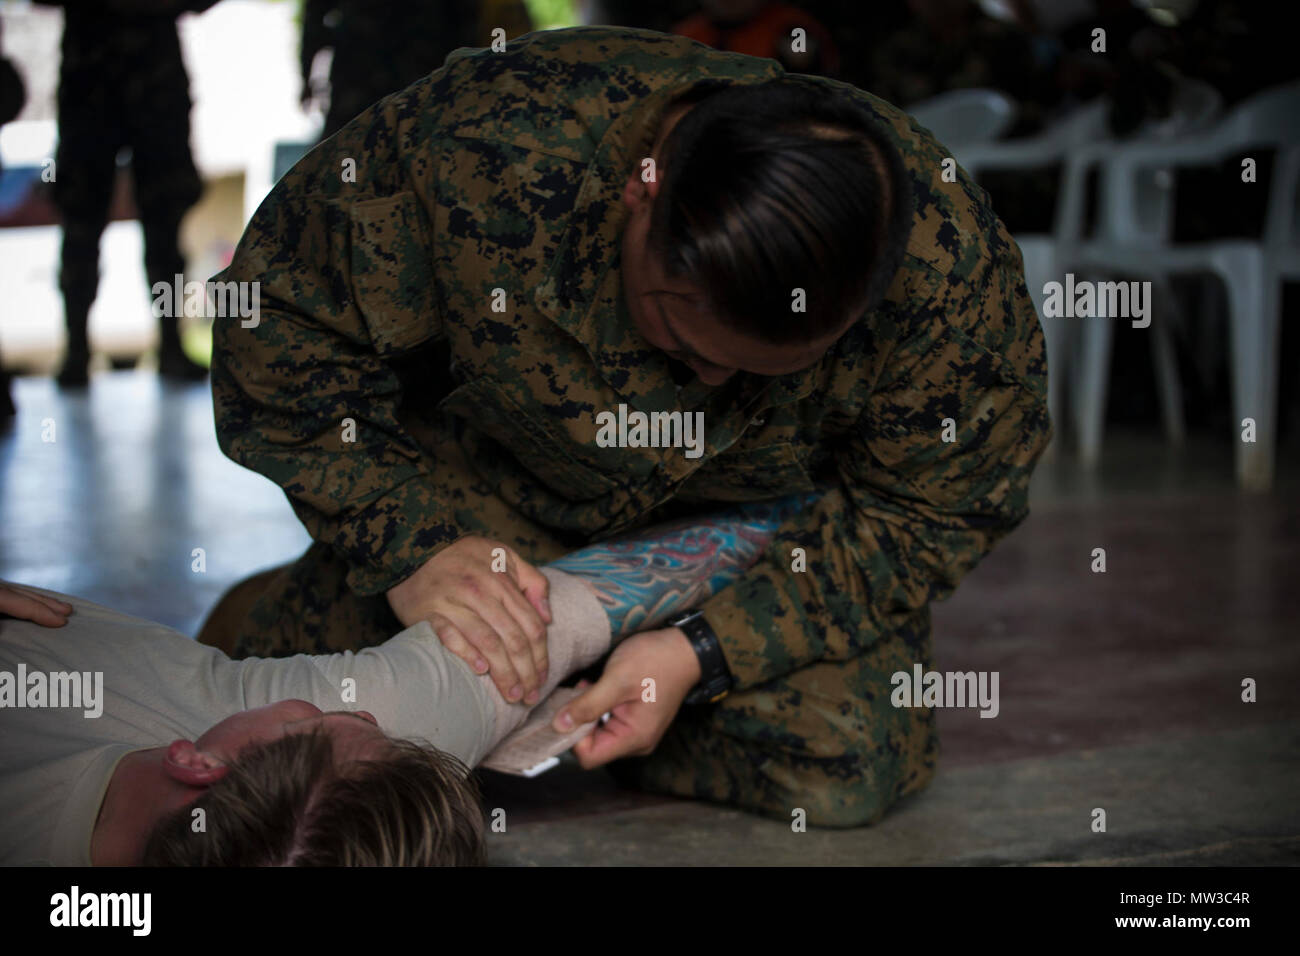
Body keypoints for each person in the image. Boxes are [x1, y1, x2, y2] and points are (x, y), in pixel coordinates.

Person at [206, 26, 1052, 828]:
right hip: (503, 496)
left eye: (766, 368)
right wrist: (408, 544)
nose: (716, 382)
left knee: (846, 761)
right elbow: (274, 323)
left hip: (750, 541)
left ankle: (582, 700)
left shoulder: (948, 276)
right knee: (311, 723)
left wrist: (698, 655)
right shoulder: (492, 141)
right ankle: (302, 609)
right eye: (682, 338)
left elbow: (934, 514)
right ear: (641, 193)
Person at [1, 495, 806, 865]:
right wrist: (702, 642)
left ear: (195, 762)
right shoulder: (312, 746)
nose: (367, 716)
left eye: (329, 722)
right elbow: (625, 582)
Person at [36, 0, 214, 386]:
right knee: (82, 216)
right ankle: (77, 351)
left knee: (164, 220)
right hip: (93, 76)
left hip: (150, 74)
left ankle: (169, 345)